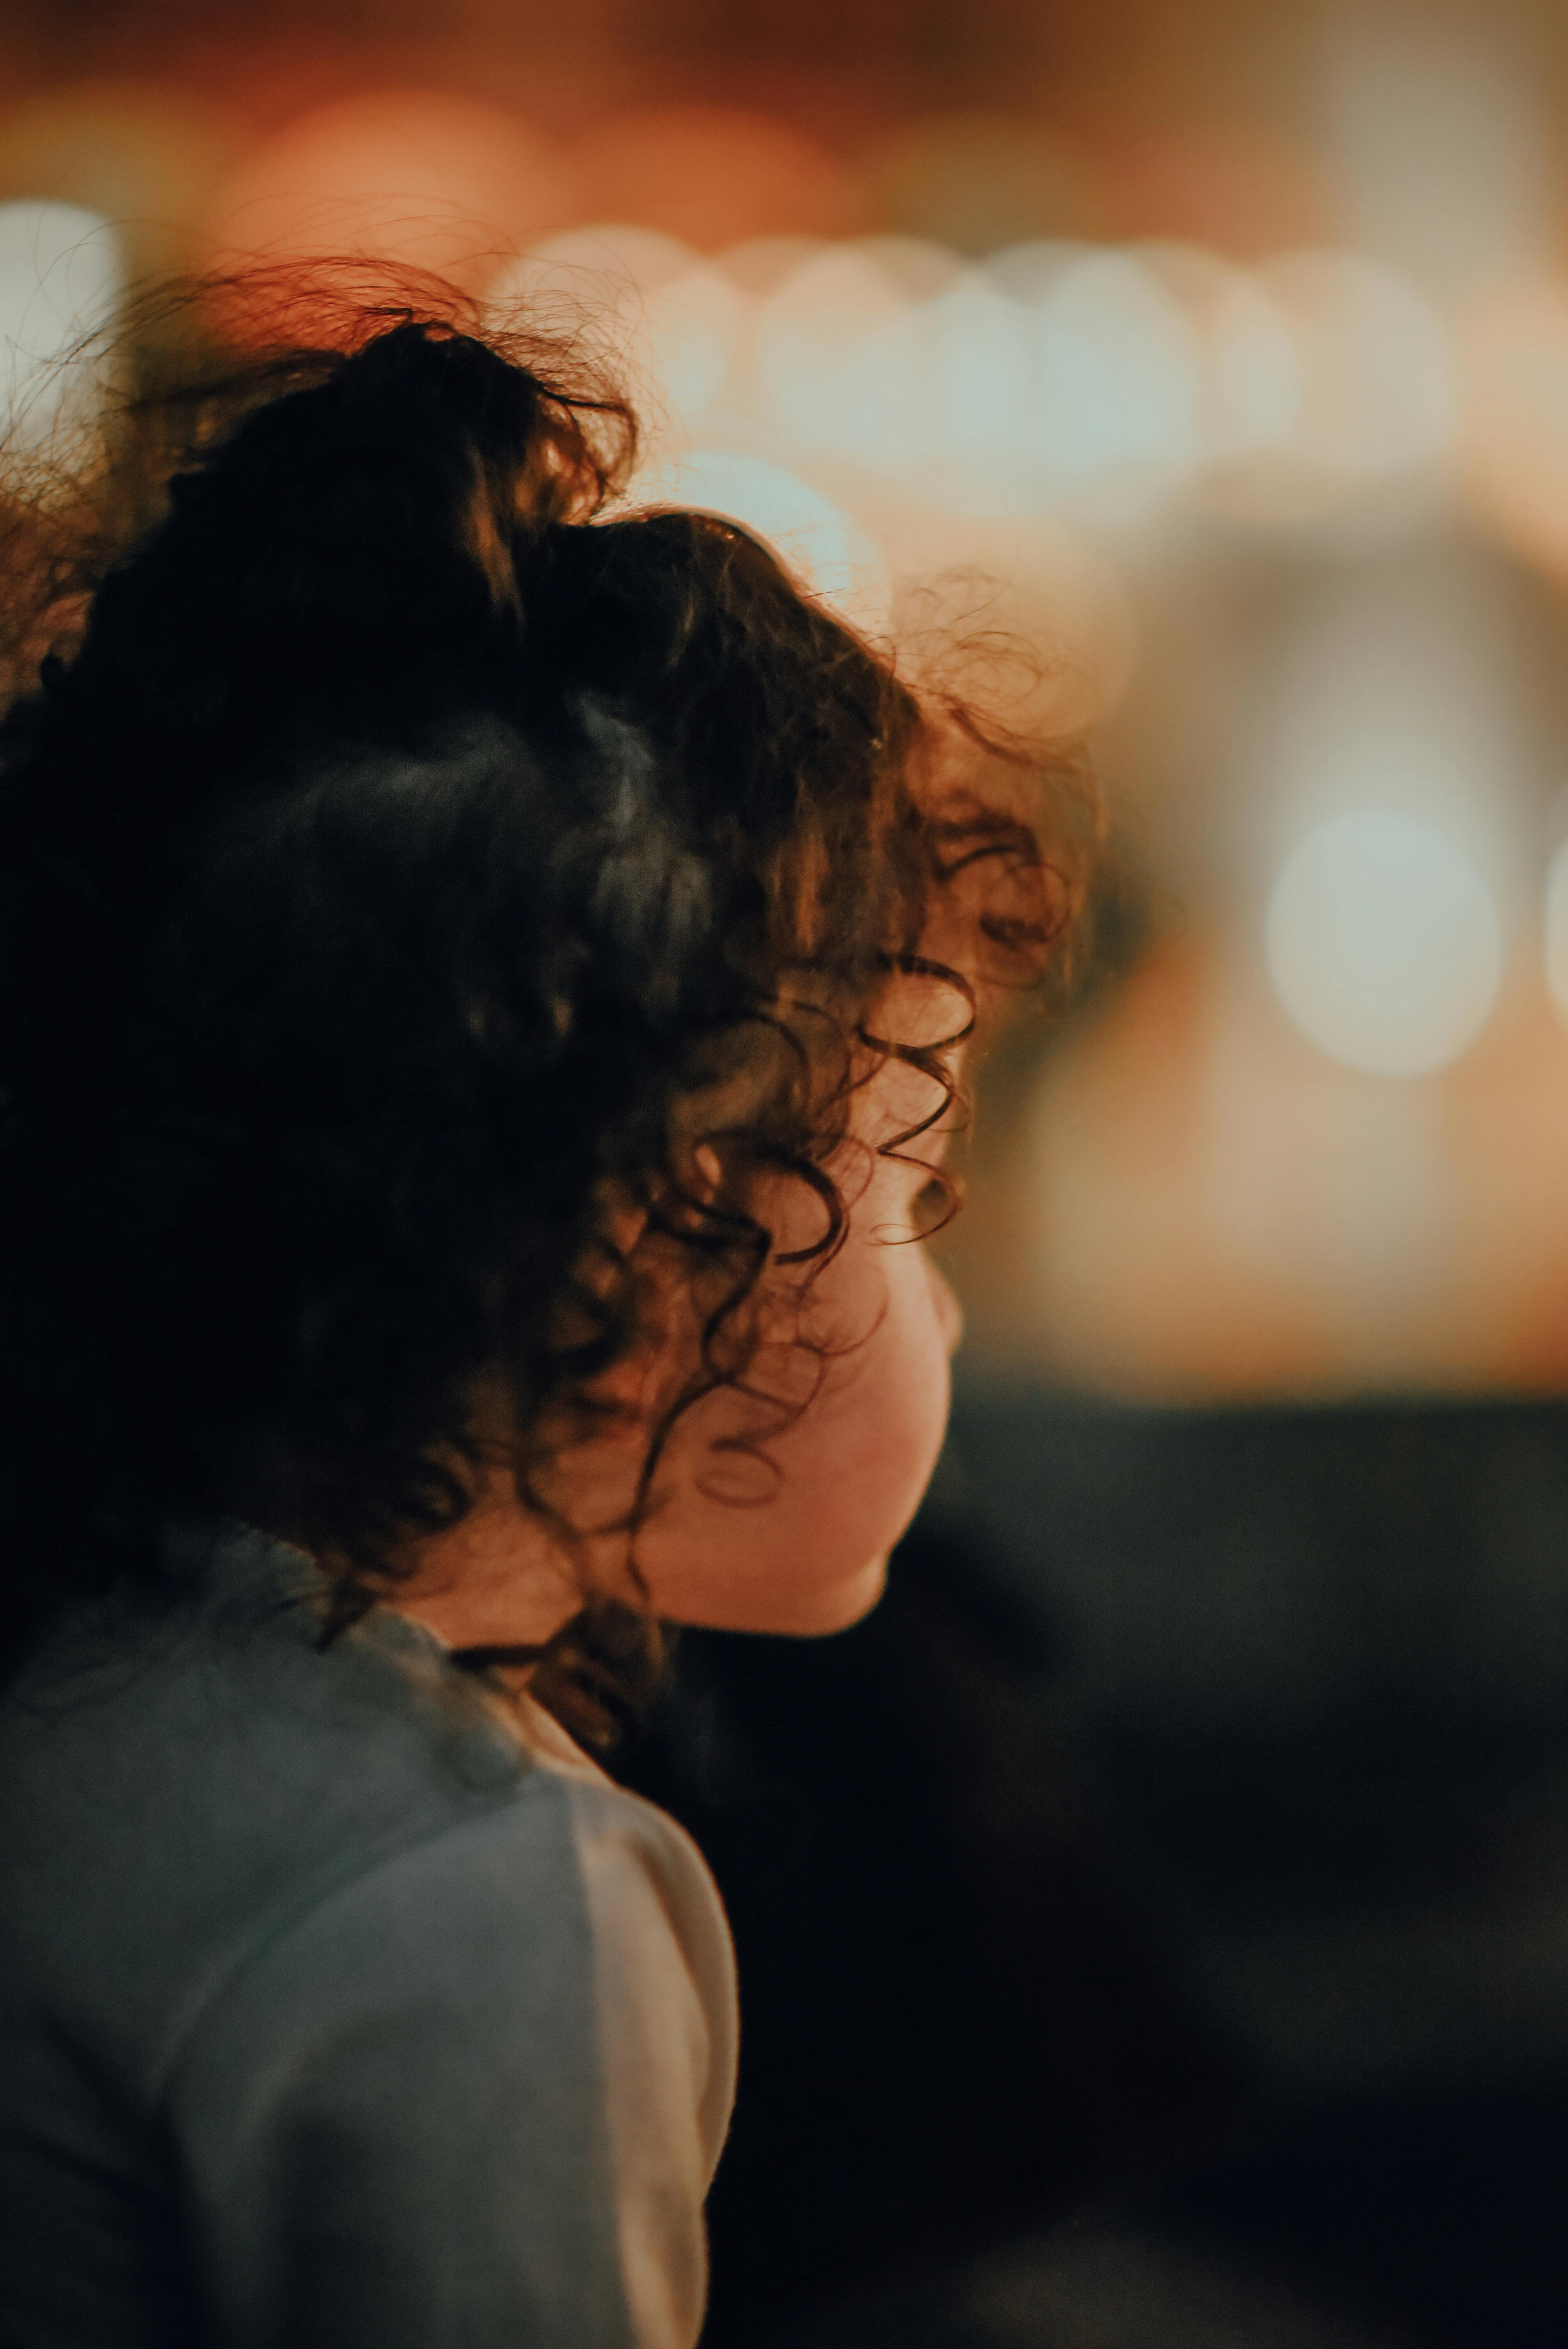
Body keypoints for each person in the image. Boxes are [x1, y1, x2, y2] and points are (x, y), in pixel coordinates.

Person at [0, 278, 1073, 2349]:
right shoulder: (475, 1901)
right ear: (645, 1255)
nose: (933, 1292)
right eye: (904, 1196)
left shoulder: (87, 1673)